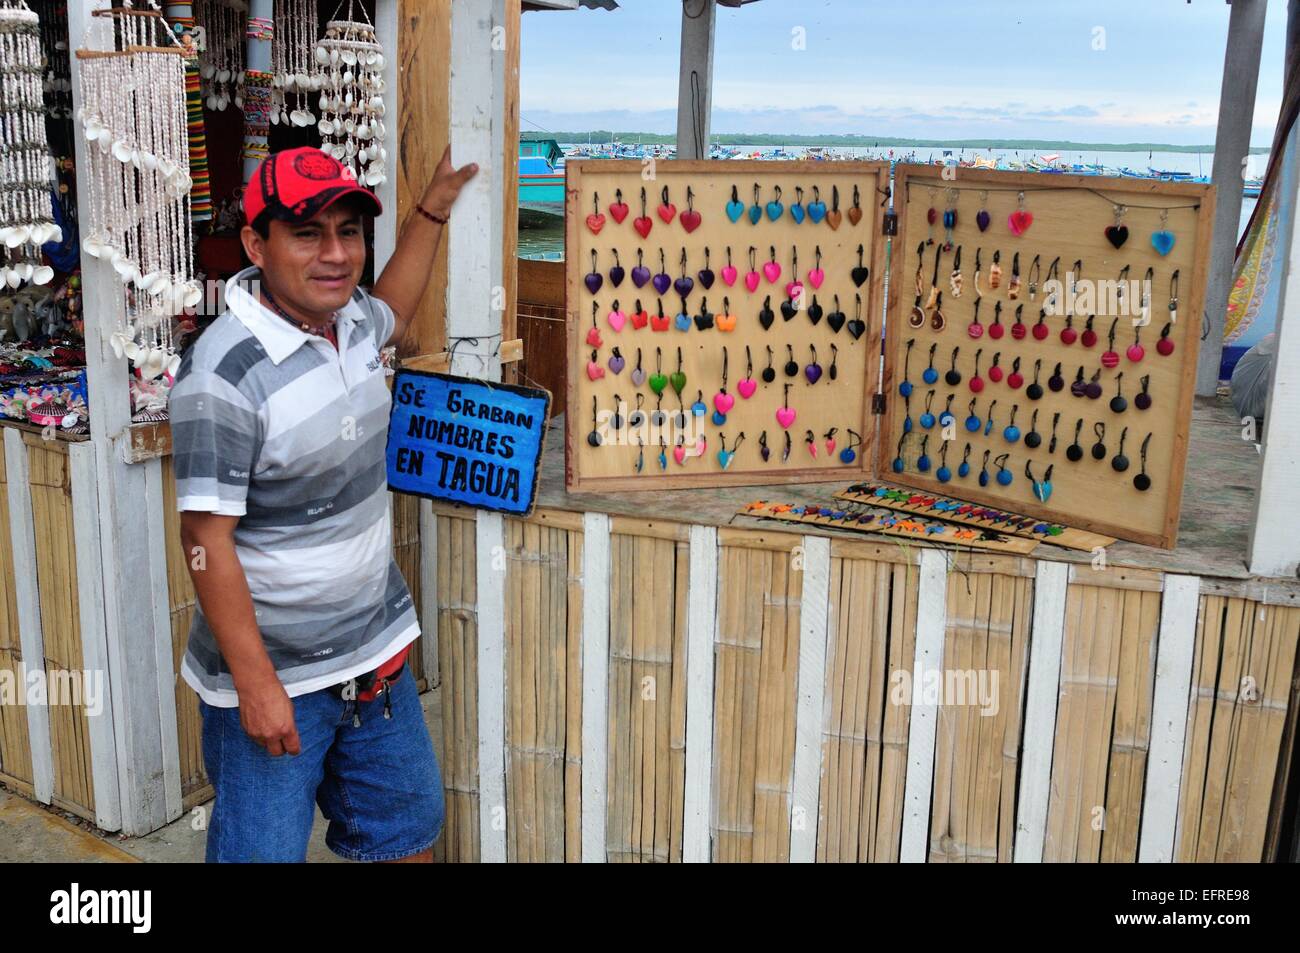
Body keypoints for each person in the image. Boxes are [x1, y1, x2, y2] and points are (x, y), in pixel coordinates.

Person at [170, 144, 477, 863]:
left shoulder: (352, 323)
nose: (336, 254)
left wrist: (430, 211)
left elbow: (395, 307)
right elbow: (204, 540)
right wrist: (257, 686)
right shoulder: (224, 373)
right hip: (280, 677)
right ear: (256, 242)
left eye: (350, 231)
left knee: (407, 837)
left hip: (375, 658)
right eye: (307, 232)